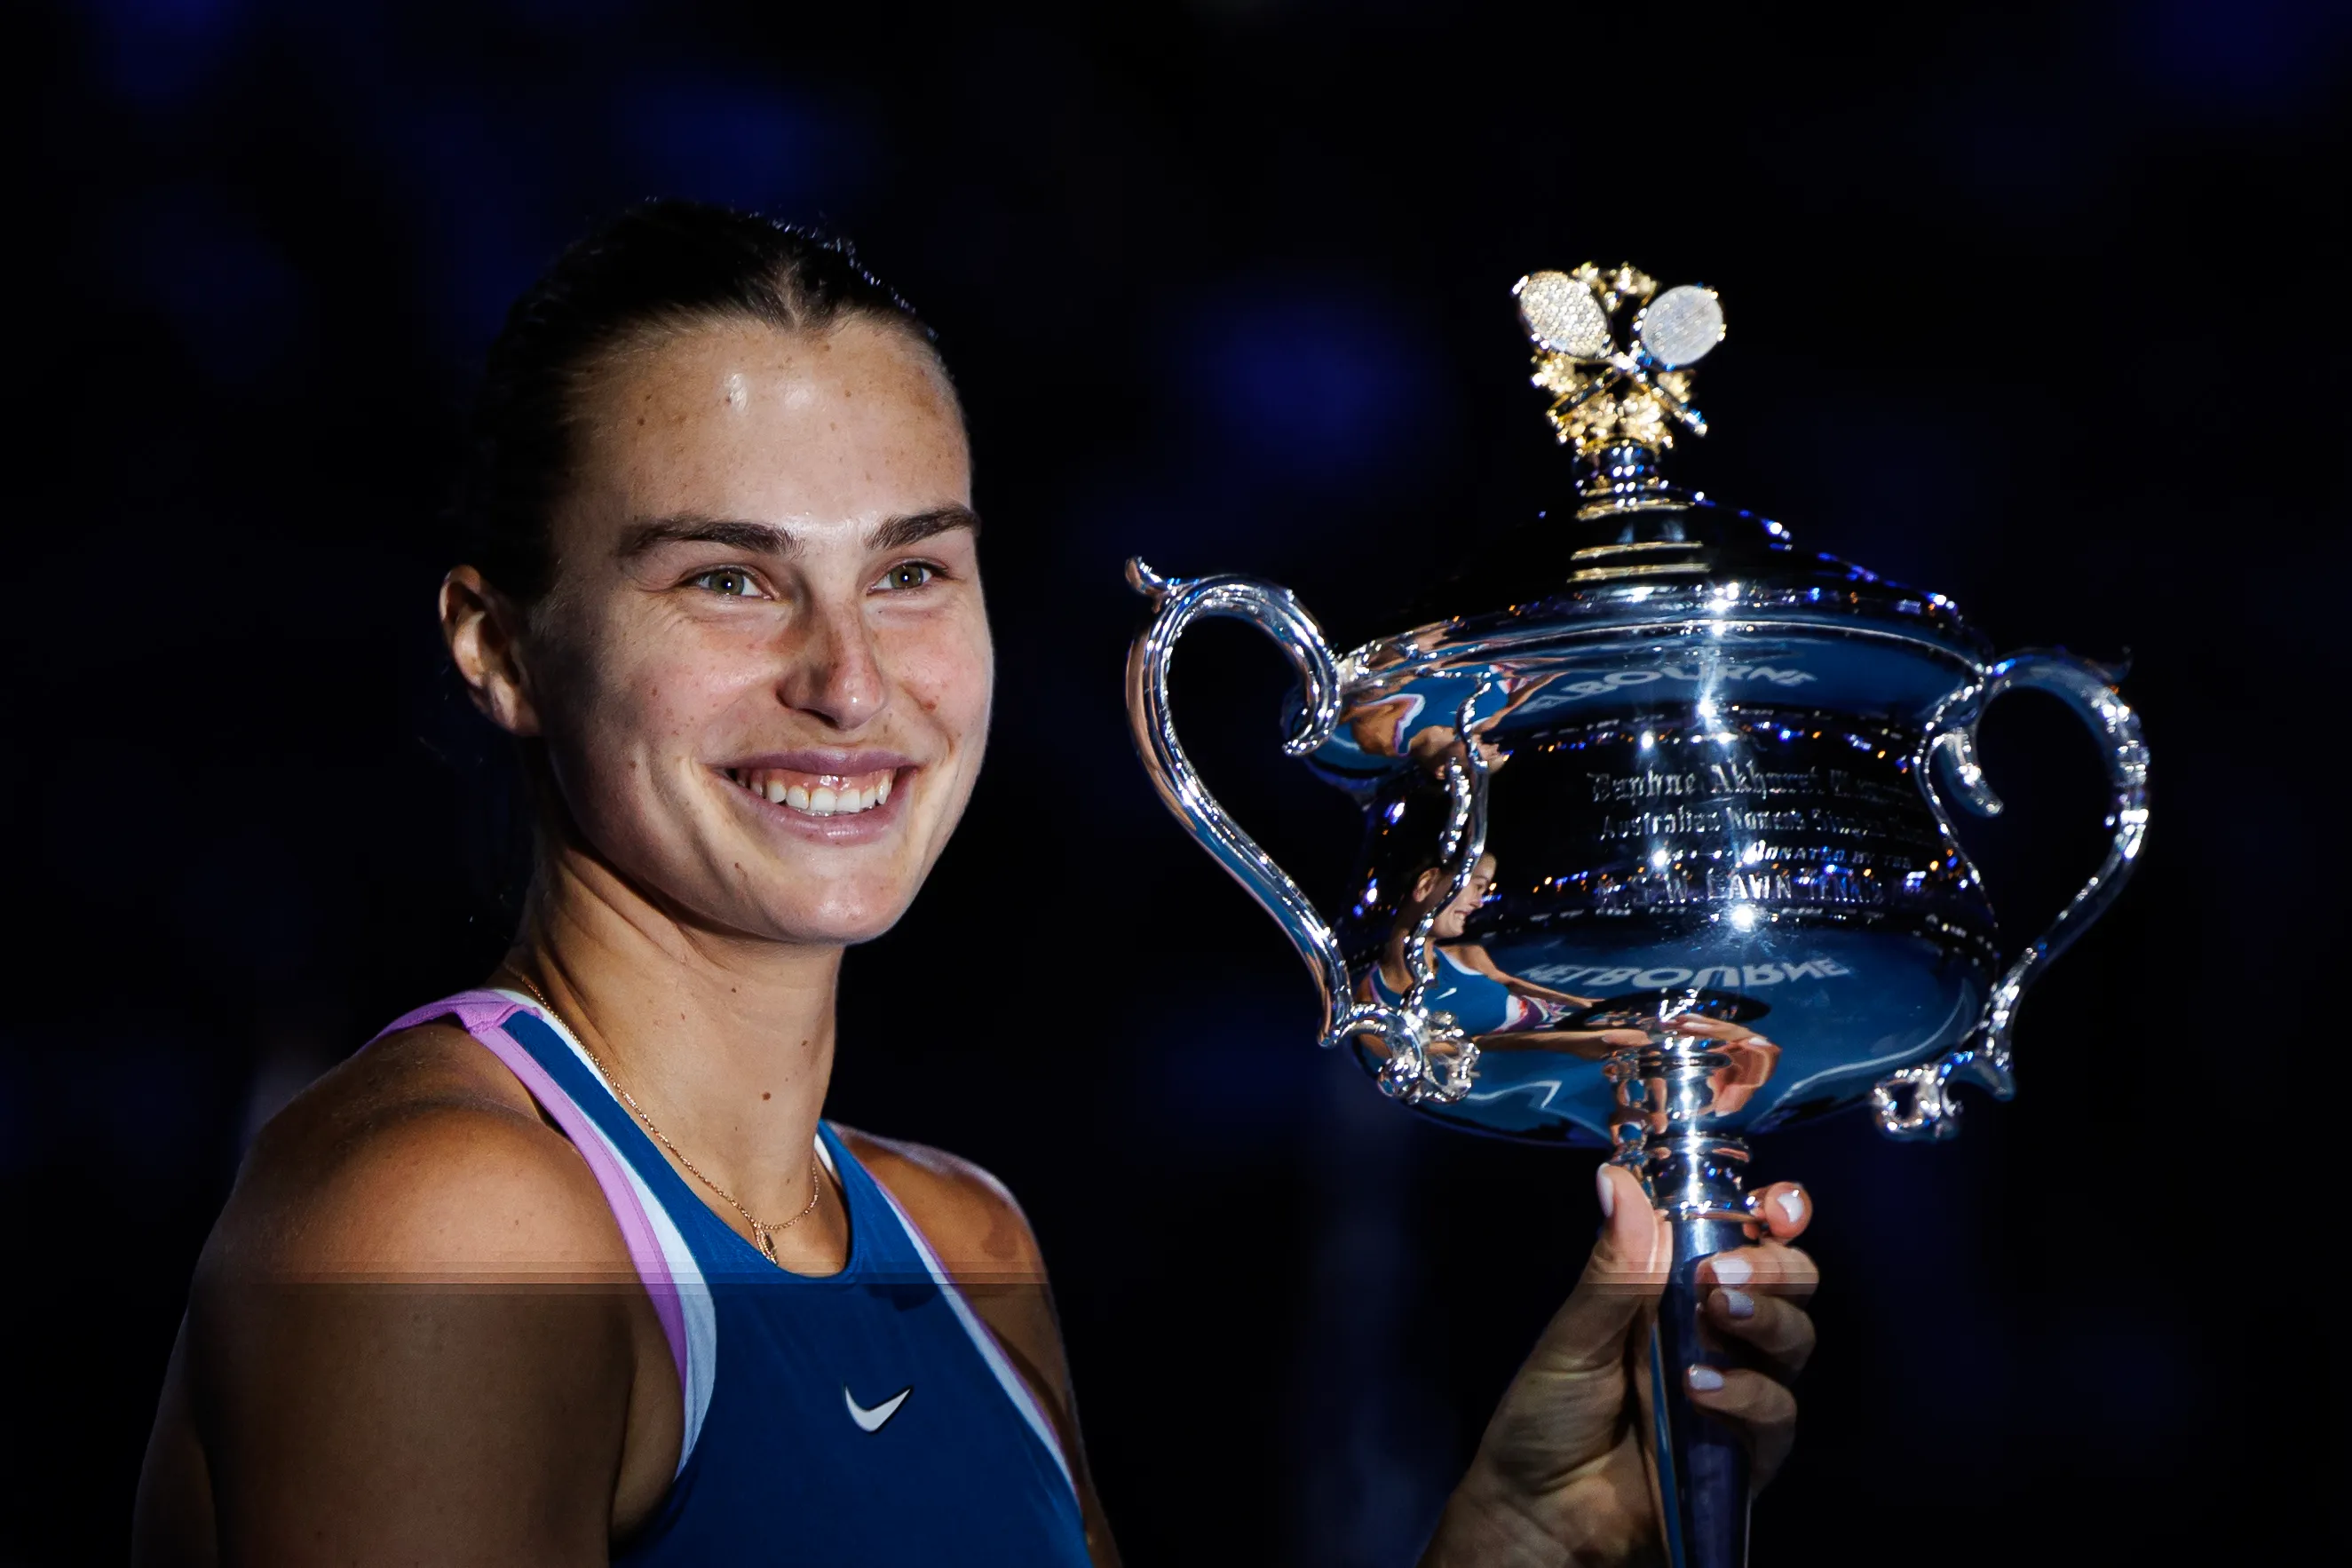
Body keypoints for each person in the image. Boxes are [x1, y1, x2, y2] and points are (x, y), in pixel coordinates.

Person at [130, 201, 1819, 1566]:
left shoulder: (959, 1237)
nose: (851, 682)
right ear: (499, 645)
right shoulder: (455, 1227)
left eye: (913, 570)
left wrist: (1507, 1539)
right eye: (731, 578)